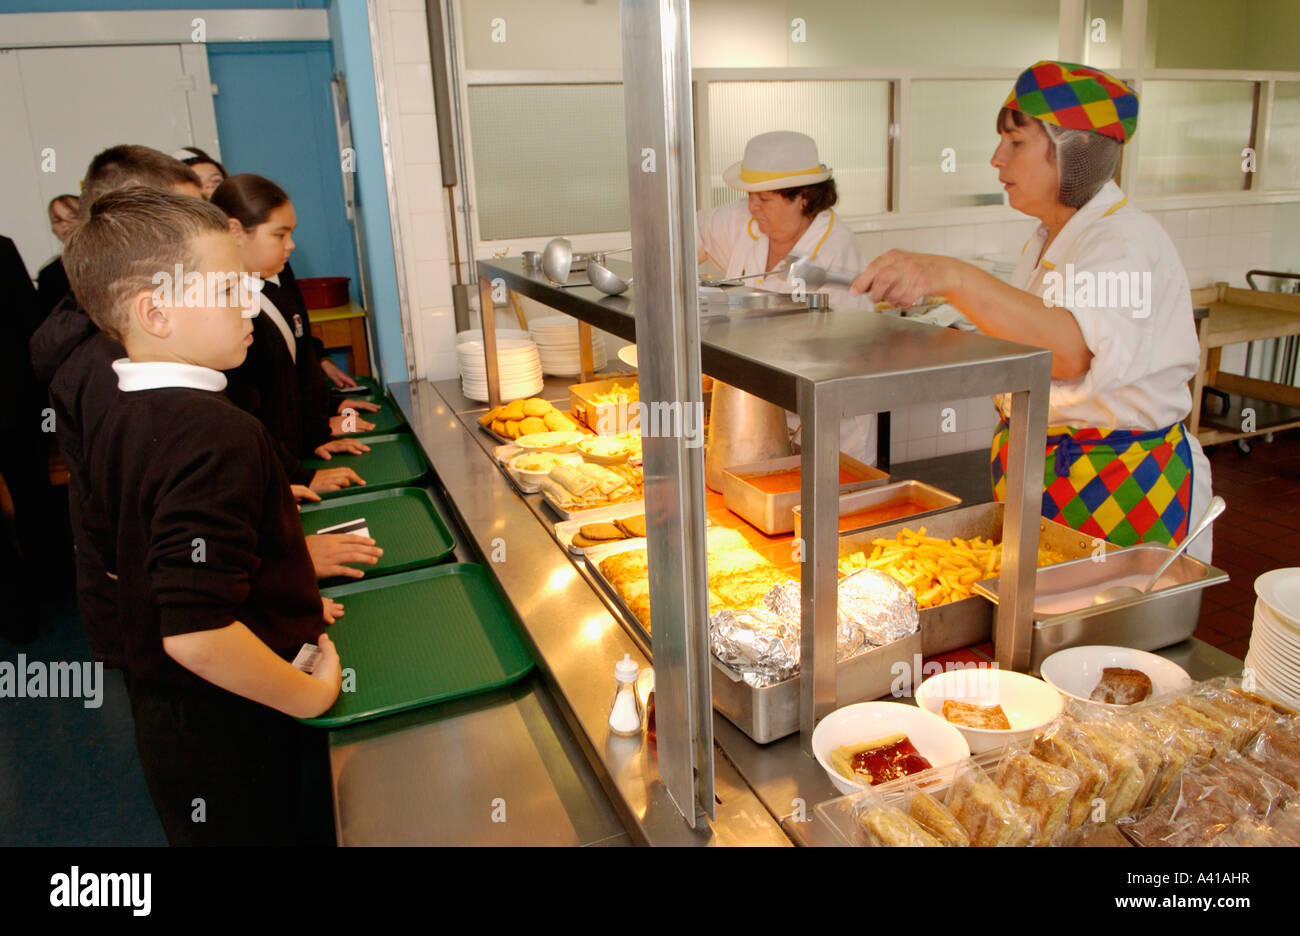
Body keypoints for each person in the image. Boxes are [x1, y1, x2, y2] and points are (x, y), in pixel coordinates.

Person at [65, 187, 343, 844]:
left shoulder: (117, 415)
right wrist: (310, 694)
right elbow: (195, 633)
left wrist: (280, 601)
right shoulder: (216, 435)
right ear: (155, 312)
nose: (250, 302)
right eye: (227, 291)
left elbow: (129, 563)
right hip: (237, 735)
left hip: (176, 727)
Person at [852, 61, 1213, 561]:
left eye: (1016, 142)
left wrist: (952, 276)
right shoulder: (1049, 238)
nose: (997, 159)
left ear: (1078, 150)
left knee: (1101, 629)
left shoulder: (1123, 238)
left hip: (1120, 484)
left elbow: (1068, 354)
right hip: (1052, 471)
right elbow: (1035, 333)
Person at [29, 145, 204, 667]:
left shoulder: (116, 333)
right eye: (181, 222)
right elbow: (141, 522)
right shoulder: (111, 360)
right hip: (157, 616)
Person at [696, 130, 876, 463]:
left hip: (825, 428)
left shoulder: (837, 252)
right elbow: (683, 235)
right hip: (755, 417)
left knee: (815, 509)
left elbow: (847, 355)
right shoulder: (741, 220)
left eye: (764, 199)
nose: (752, 207)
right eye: (750, 195)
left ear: (804, 197)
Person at [211, 174, 381, 490]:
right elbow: (248, 412)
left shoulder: (280, 271)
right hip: (275, 471)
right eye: (279, 235)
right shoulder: (223, 307)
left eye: (291, 233)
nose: (290, 245)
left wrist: (320, 426)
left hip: (298, 449)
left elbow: (299, 361)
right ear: (235, 231)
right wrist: (296, 475)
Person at [36, 194, 78, 318]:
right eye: (57, 220)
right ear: (53, 230)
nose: (65, 224)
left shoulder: (110, 261)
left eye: (73, 216)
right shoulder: (49, 275)